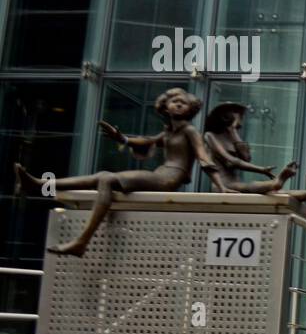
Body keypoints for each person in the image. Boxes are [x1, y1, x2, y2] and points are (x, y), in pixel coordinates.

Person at [14, 87, 225, 256]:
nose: (178, 104)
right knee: (101, 177)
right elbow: (148, 141)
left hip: (169, 178)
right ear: (166, 107)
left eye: (184, 102)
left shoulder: (189, 130)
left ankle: (81, 240)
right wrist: (121, 138)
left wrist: (221, 185)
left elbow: (203, 157)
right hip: (161, 174)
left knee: (106, 178)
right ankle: (40, 185)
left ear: (190, 109)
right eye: (174, 101)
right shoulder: (170, 131)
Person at [203, 102, 306, 201]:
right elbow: (232, 161)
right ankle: (277, 182)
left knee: (278, 194)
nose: (241, 119)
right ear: (227, 116)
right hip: (224, 186)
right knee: (257, 186)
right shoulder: (210, 136)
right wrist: (261, 169)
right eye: (238, 115)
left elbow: (246, 157)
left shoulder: (231, 138)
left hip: (237, 184)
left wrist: (233, 132)